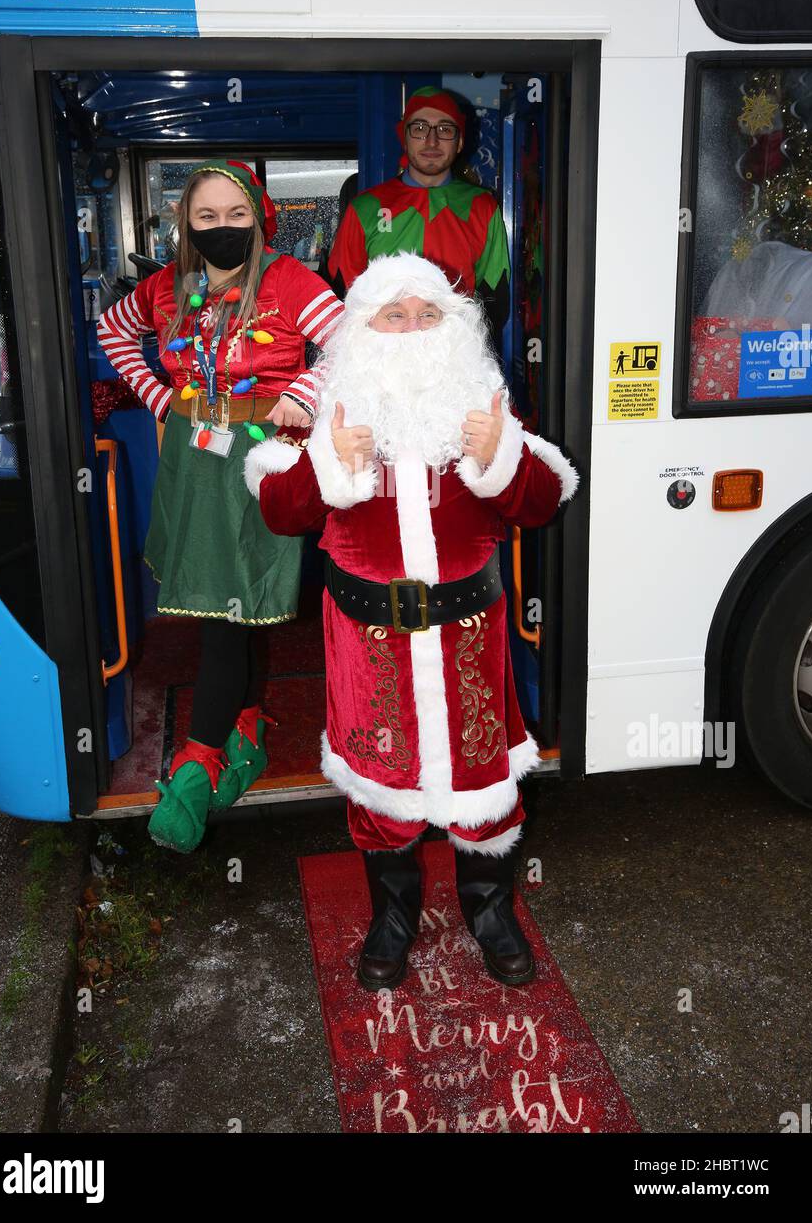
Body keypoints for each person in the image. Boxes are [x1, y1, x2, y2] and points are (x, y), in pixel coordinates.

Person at [244, 252, 578, 989]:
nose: (412, 327)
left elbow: (545, 500)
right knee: (380, 786)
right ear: (364, 326)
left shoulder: (481, 396)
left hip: (468, 635)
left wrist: (505, 458)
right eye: (393, 314)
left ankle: (490, 912)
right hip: (367, 642)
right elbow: (277, 510)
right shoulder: (327, 400)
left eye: (428, 313)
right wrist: (324, 461)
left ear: (453, 325)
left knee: (482, 785)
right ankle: (393, 918)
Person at [96, 158, 344, 852]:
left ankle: (200, 757)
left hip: (263, 452)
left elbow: (355, 340)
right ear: (186, 223)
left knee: (231, 609)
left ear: (259, 218)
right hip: (194, 453)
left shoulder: (295, 283)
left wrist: (304, 394)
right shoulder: (167, 288)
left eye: (236, 216)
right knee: (220, 607)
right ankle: (242, 732)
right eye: (206, 217)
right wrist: (160, 399)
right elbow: (113, 332)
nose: (222, 229)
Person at [327, 86, 511, 339]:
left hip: (453, 353)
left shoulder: (482, 207)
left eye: (445, 129)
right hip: (382, 353)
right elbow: (343, 299)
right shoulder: (365, 208)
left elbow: (494, 301)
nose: (432, 140)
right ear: (404, 137)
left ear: (459, 142)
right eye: (420, 128)